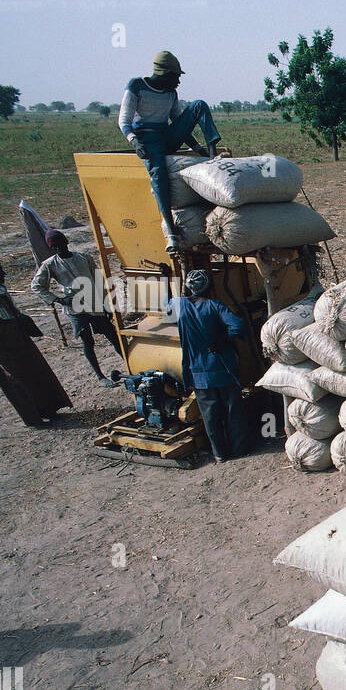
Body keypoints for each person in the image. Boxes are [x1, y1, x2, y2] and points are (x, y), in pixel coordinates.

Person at [118, 51, 223, 254]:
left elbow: (178, 123)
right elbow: (123, 120)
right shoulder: (136, 86)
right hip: (147, 138)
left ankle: (212, 154)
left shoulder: (171, 93)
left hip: (165, 135)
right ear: (164, 73)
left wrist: (198, 149)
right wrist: (135, 142)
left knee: (198, 105)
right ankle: (171, 231)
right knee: (159, 173)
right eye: (176, 76)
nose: (178, 82)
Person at [0, 253, 72, 428]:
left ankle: (49, 410)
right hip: (6, 350)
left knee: (37, 375)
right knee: (20, 382)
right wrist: (14, 326)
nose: (3, 274)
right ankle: (36, 419)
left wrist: (21, 321)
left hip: (19, 341)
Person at [169, 269, 250, 462]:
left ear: (188, 287)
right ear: (210, 287)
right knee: (232, 410)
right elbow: (238, 326)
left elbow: (166, 305)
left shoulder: (179, 305)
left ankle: (219, 453)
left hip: (198, 373)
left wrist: (167, 278)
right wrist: (224, 340)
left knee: (210, 415)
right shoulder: (215, 306)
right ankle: (239, 449)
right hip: (222, 368)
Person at [30, 229, 123, 387]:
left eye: (61, 244)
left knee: (112, 335)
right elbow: (37, 285)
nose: (59, 249)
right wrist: (58, 299)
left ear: (67, 242)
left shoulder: (84, 258)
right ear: (52, 248)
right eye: (55, 247)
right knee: (87, 341)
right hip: (75, 308)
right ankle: (100, 377)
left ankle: (129, 363)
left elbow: (98, 281)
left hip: (94, 303)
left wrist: (107, 304)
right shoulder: (50, 264)